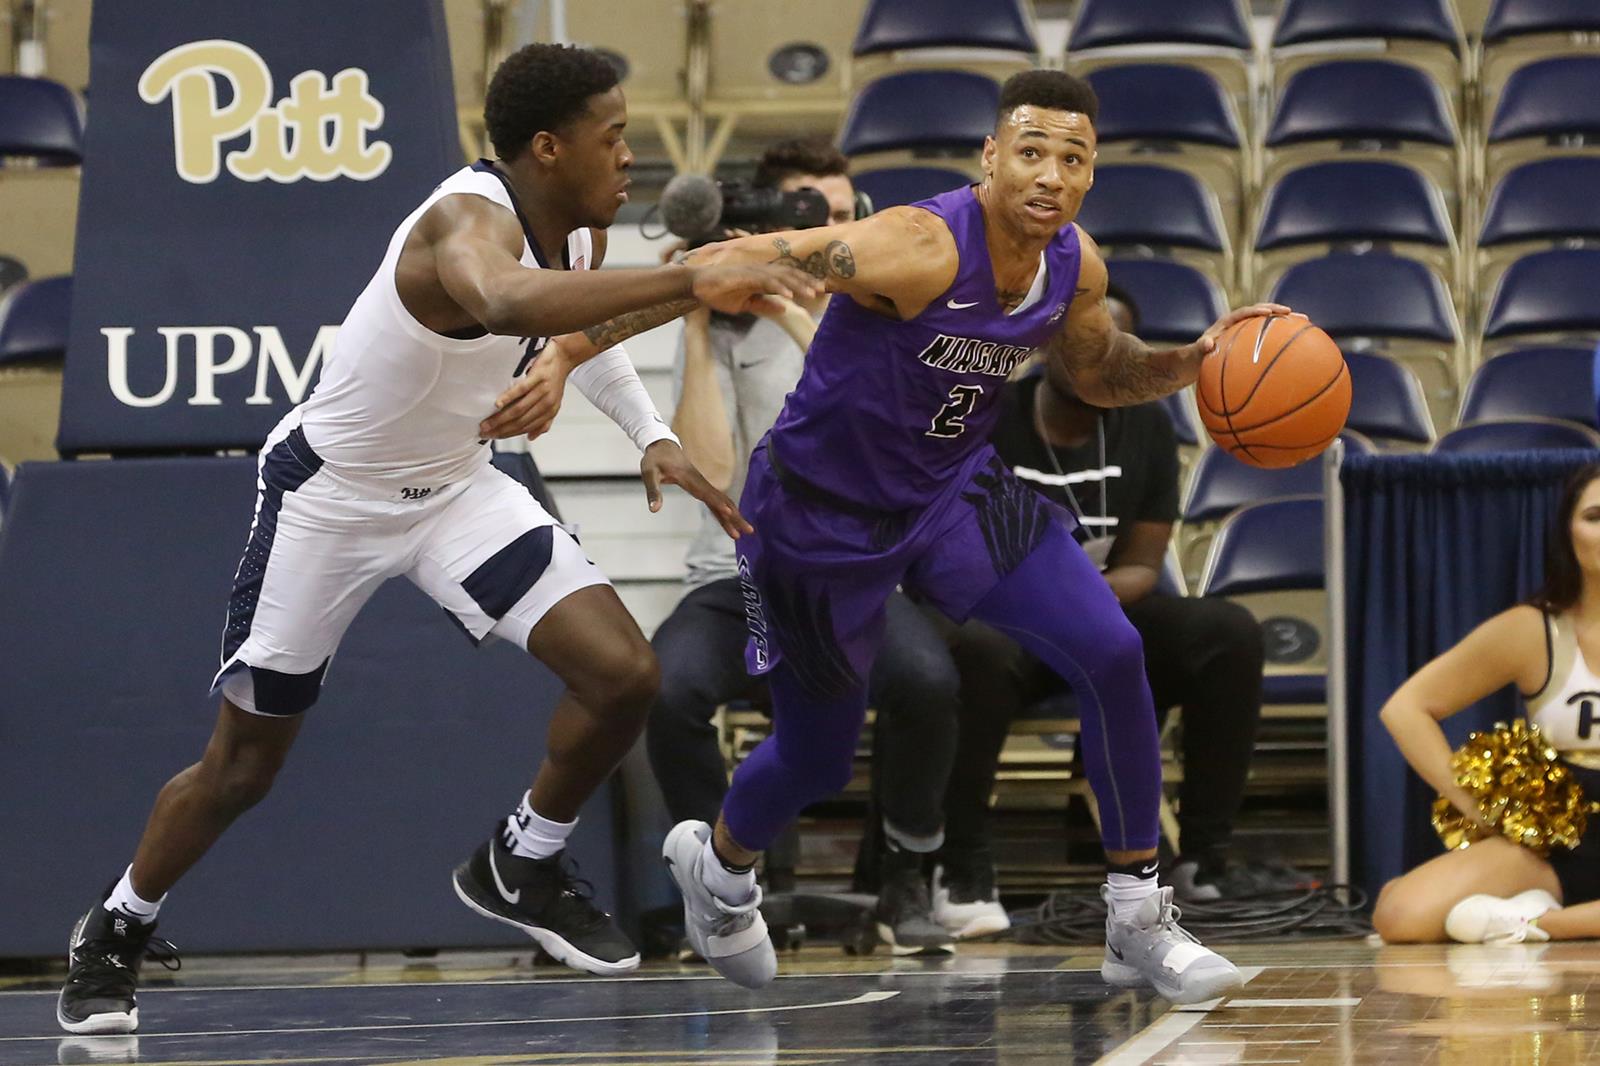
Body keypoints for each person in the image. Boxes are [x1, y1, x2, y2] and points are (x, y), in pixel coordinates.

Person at [56, 42, 815, 1036]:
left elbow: (573, 331)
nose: (631, 157)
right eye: (614, 137)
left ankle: (522, 858)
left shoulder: (578, 233)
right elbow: (509, 303)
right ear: (547, 148)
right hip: (332, 497)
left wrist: (655, 434)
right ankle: (115, 924)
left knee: (624, 674)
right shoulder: (462, 220)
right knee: (243, 765)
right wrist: (692, 282)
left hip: (458, 487)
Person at [537, 67, 1290, 1000]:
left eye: (1072, 157)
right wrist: (570, 349)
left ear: (1091, 175)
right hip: (814, 517)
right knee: (815, 752)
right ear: (991, 158)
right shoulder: (917, 245)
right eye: (1030, 152)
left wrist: (1194, 361)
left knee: (1111, 649)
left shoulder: (1074, 266)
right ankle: (723, 870)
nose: (1049, 174)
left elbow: (1099, 374)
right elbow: (722, 266)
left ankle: (1136, 917)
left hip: (952, 494)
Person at [646, 137, 961, 955]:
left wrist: (792, 305)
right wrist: (693, 315)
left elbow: (868, 422)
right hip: (738, 574)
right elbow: (710, 475)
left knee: (927, 679)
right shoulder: (718, 331)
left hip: (853, 576)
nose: (840, 237)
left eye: (849, 217)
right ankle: (720, 889)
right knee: (667, 690)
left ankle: (905, 880)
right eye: (815, 218)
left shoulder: (890, 318)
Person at [923, 286, 1267, 938]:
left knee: (1227, 634)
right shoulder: (993, 415)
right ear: (1049, 344)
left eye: (1113, 346)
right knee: (973, 650)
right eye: (1084, 341)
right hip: (1005, 618)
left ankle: (1203, 862)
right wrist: (1047, 593)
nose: (1097, 356)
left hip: (1100, 607)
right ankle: (961, 863)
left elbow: (1141, 564)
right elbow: (962, 552)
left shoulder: (1146, 426)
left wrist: (1075, 596)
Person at [1373, 462, 1600, 945]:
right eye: (1596, 516)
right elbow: (1406, 708)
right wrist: (1478, 810)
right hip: (1566, 840)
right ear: (1567, 532)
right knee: (1399, 916)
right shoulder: (1533, 630)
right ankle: (1542, 906)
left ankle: (1533, 923)